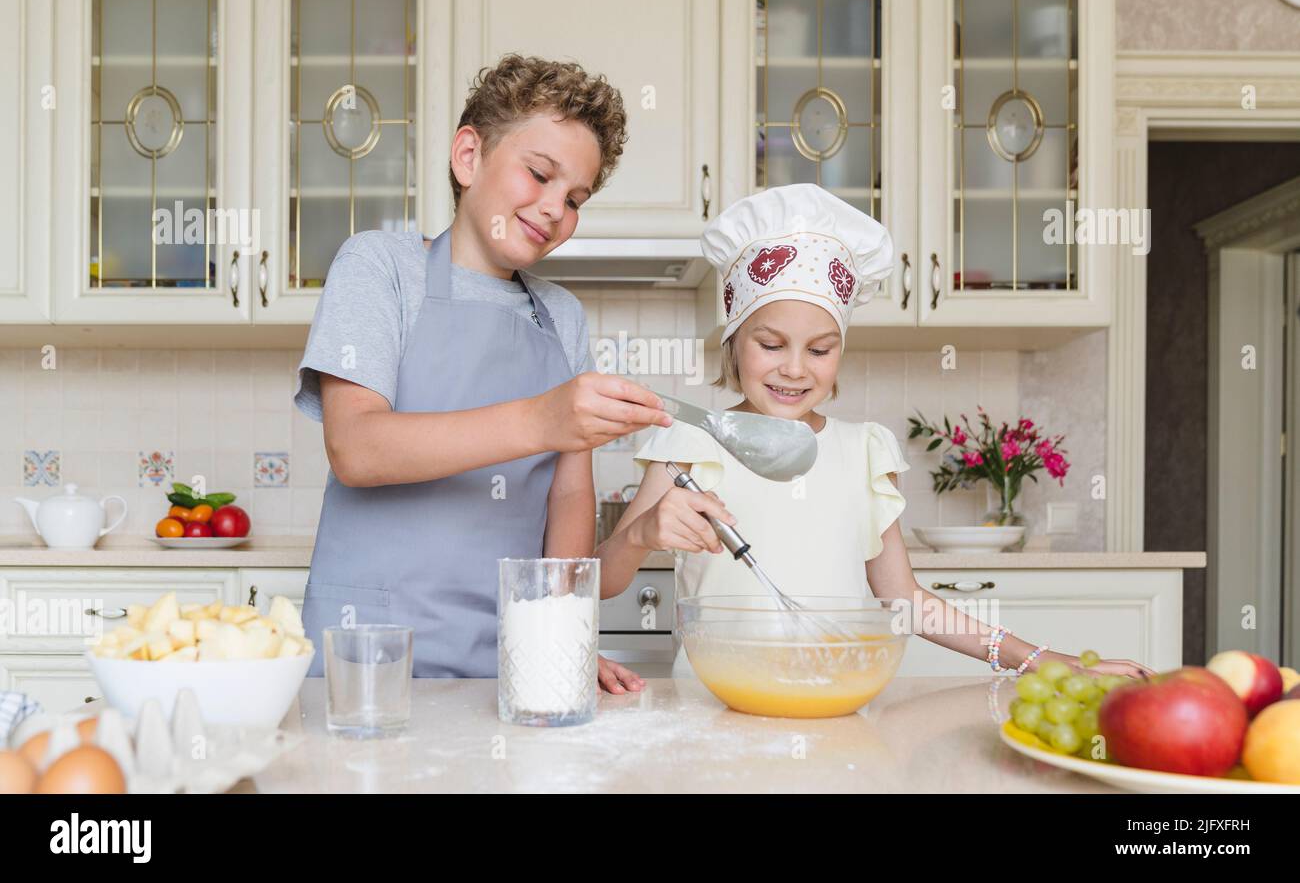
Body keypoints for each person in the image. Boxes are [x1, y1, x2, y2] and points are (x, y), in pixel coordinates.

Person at [596, 183, 1154, 681]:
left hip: (829, 702)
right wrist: (641, 533)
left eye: (820, 349)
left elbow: (905, 598)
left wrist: (1044, 663)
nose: (795, 368)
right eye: (770, 345)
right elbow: (600, 583)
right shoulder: (688, 443)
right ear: (733, 341)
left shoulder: (862, 451)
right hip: (712, 707)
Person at [293, 54, 668, 691]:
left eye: (575, 198)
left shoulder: (561, 317)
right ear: (469, 157)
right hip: (366, 660)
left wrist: (564, 640)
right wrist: (541, 418)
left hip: (507, 662)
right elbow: (356, 447)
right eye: (540, 175)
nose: (555, 209)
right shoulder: (379, 268)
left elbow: (569, 498)